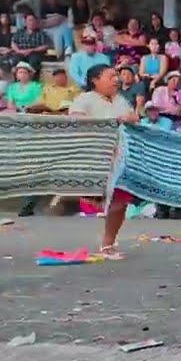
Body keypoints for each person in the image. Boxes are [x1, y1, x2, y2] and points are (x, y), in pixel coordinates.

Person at [68, 65, 141, 253]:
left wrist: (129, 119)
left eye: (116, 76)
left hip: (120, 158)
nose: (116, 79)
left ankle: (108, 242)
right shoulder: (84, 100)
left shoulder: (121, 99)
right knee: (107, 202)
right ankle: (108, 243)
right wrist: (116, 120)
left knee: (120, 204)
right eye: (111, 76)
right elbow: (76, 124)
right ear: (95, 80)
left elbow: (134, 119)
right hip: (94, 159)